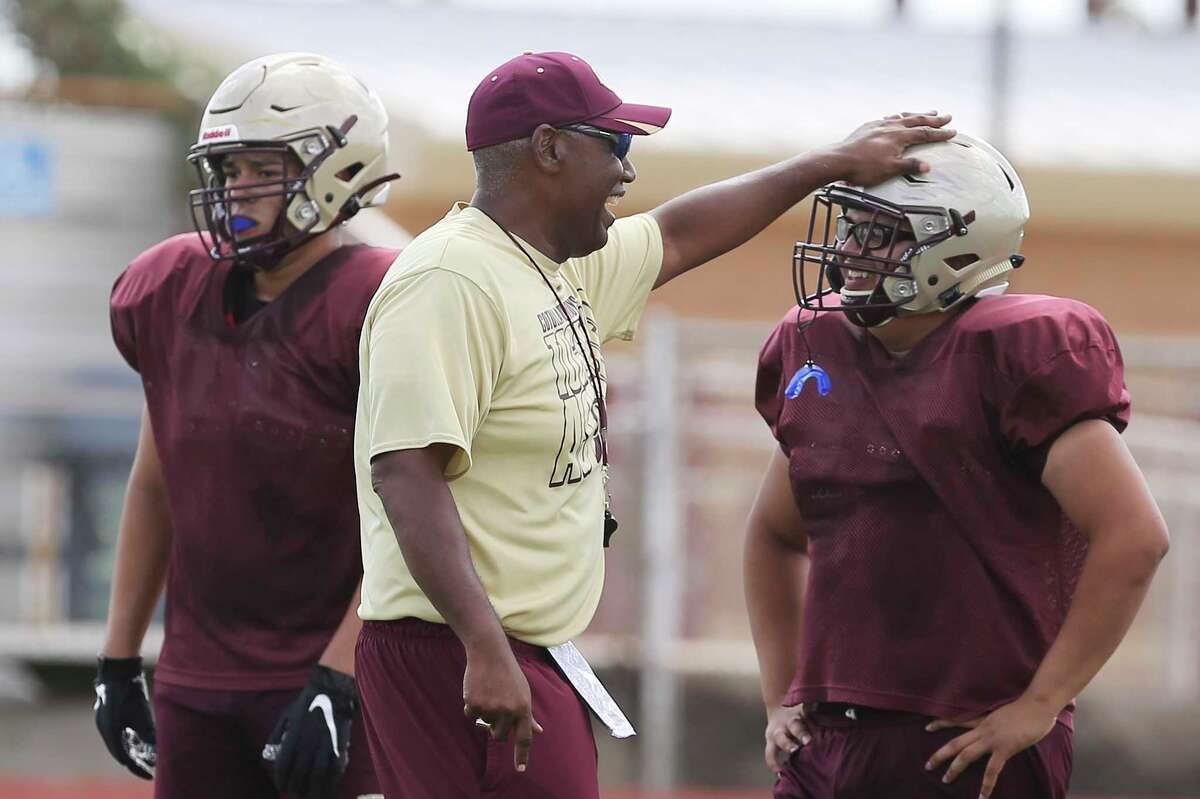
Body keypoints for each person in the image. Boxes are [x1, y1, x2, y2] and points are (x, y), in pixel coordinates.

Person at [352, 49, 955, 799]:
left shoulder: (552, 264)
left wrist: (830, 162)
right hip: (452, 647)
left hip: (515, 645)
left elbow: (681, 233)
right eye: (615, 145)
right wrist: (483, 646)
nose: (627, 171)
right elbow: (405, 472)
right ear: (549, 149)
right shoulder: (450, 279)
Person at [745, 132, 1170, 799]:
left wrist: (1041, 703)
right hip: (827, 739)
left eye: (881, 234)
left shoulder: (1017, 353)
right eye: (852, 227)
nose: (850, 250)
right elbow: (774, 534)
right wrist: (781, 696)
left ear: (961, 246)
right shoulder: (817, 343)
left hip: (964, 737)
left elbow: (1135, 536)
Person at [94, 52, 400, 799]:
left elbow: (418, 512)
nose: (237, 190)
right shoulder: (170, 287)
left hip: (336, 673)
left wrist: (341, 671)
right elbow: (158, 480)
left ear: (338, 171)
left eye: (264, 169)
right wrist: (119, 657)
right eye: (230, 170)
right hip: (198, 677)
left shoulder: (384, 301)